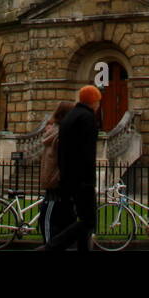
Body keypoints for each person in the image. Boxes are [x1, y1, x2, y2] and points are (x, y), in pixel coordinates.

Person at [44, 86, 102, 251]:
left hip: (68, 179)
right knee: (88, 221)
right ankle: (52, 246)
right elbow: (87, 153)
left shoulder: (69, 118)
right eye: (97, 101)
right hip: (82, 181)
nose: (98, 105)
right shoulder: (87, 117)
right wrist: (89, 181)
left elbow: (63, 152)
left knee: (79, 220)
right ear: (93, 101)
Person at [39, 101, 75, 244]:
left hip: (62, 194)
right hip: (57, 192)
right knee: (51, 238)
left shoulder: (58, 134)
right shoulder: (61, 136)